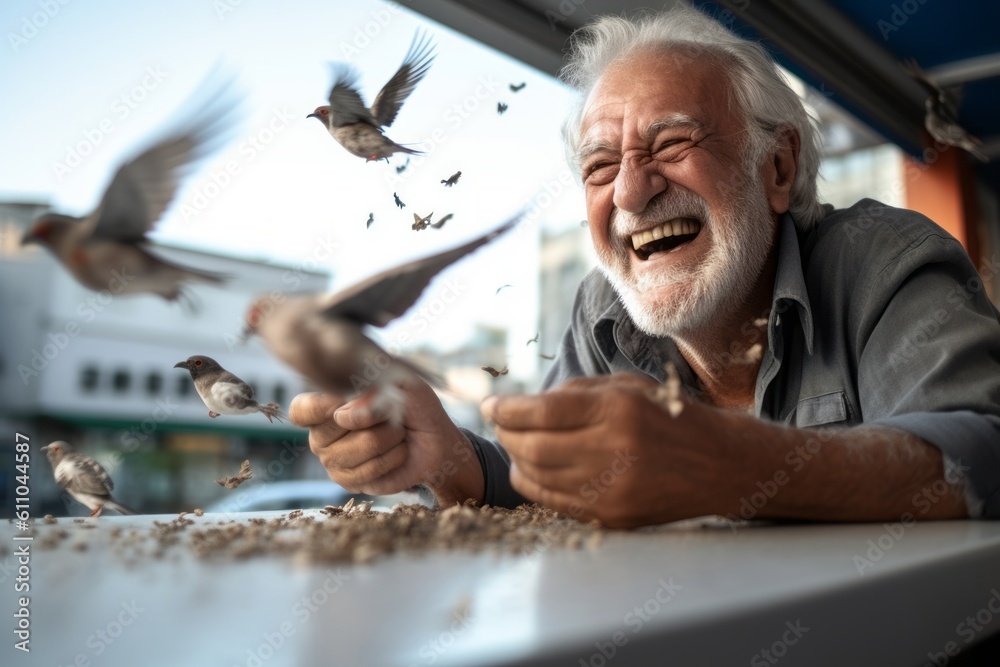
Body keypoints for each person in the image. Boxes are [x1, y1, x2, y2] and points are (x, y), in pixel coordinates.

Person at [289, 6, 1000, 528]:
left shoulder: (884, 260)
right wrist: (449, 458)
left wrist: (732, 465)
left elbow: (987, 448)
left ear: (777, 167)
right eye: (601, 165)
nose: (631, 191)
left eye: (672, 143)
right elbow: (549, 486)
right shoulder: (601, 312)